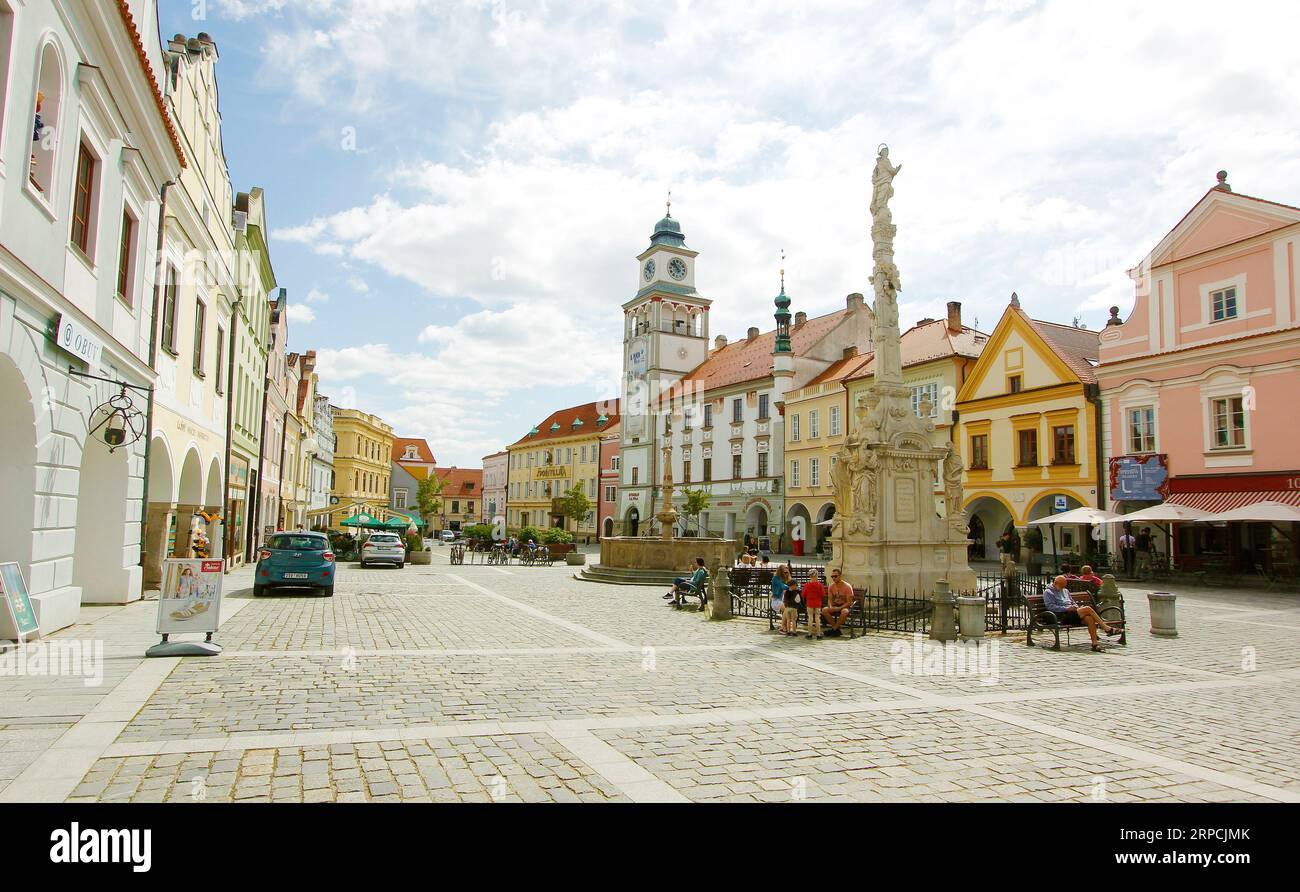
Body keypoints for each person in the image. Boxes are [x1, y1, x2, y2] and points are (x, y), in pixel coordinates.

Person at [1042, 574, 1119, 652]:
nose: (1063, 588)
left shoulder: (1065, 591)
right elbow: (1051, 607)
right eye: (1061, 586)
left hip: (1072, 613)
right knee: (1088, 609)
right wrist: (1067, 608)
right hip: (1061, 615)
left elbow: (1073, 602)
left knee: (1089, 618)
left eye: (1064, 586)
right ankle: (1106, 628)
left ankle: (1095, 644)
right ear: (1055, 583)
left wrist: (1076, 607)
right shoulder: (1048, 592)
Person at [822, 568, 855, 637]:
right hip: (836, 604)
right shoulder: (831, 586)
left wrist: (839, 608)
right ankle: (836, 629)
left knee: (845, 612)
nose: (833, 578)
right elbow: (830, 599)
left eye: (835, 576)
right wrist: (830, 606)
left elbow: (849, 602)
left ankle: (834, 629)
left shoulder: (847, 586)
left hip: (845, 605)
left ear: (840, 576)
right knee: (824, 610)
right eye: (832, 576)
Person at [771, 565, 798, 634]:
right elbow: (782, 586)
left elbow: (794, 584)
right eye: (784, 572)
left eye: (787, 572)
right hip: (776, 600)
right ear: (780, 572)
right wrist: (791, 587)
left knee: (788, 607)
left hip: (785, 600)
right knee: (786, 609)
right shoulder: (776, 578)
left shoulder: (788, 578)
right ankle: (783, 627)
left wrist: (795, 586)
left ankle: (785, 627)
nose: (786, 574)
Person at [801, 570, 827, 640]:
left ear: (809, 576)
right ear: (817, 576)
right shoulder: (820, 585)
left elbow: (803, 594)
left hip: (809, 603)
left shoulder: (807, 585)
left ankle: (810, 634)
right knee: (817, 618)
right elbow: (823, 594)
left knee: (810, 618)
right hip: (818, 603)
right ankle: (818, 634)